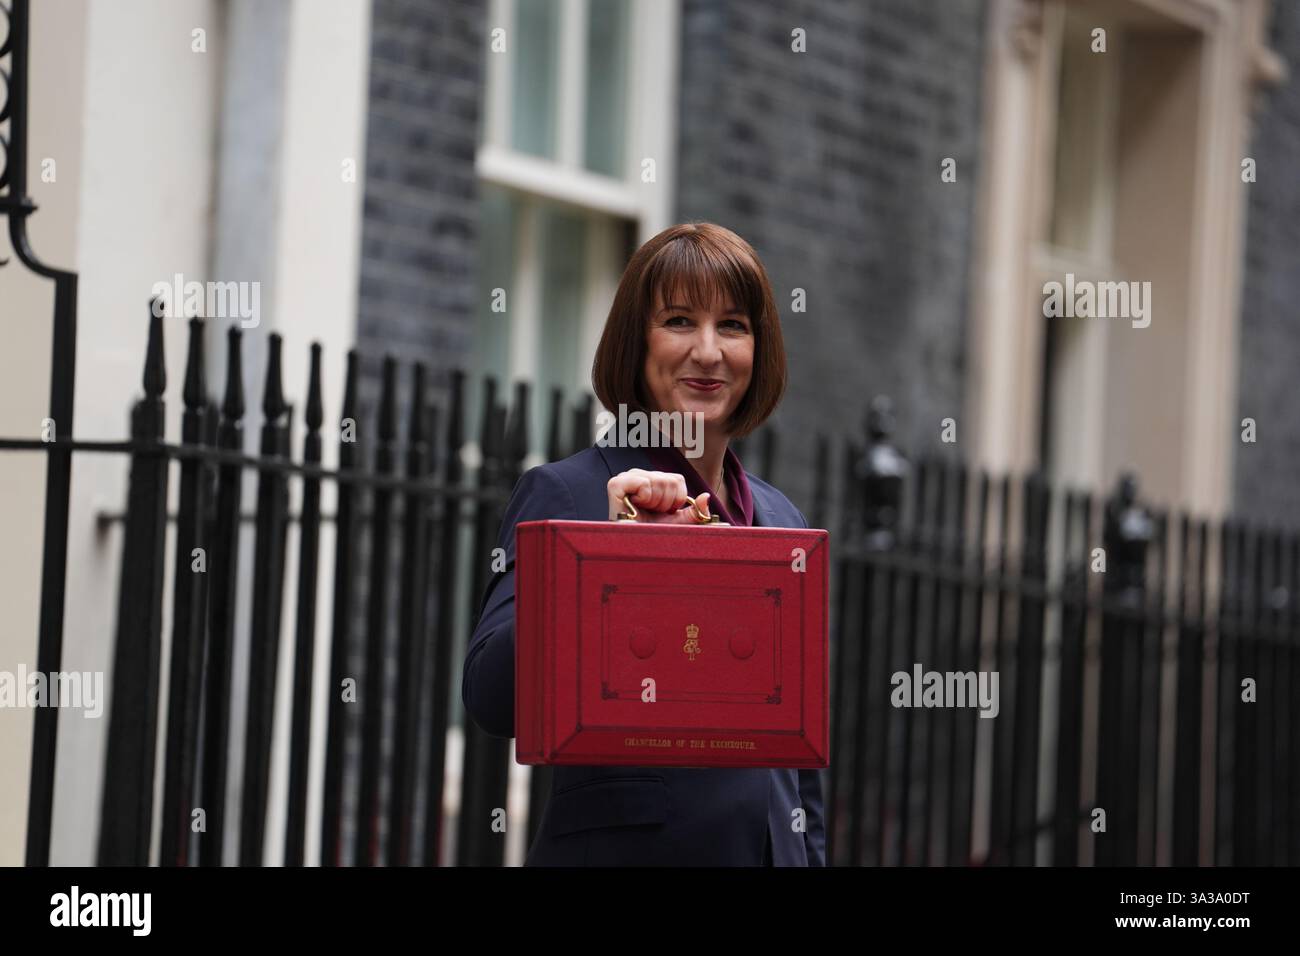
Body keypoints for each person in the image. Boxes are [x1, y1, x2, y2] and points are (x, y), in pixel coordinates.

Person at [461, 222, 826, 866]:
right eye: (680, 321)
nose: (708, 352)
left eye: (734, 325)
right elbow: (491, 697)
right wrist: (607, 553)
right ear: (637, 343)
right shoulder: (569, 492)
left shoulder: (782, 517)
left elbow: (801, 758)